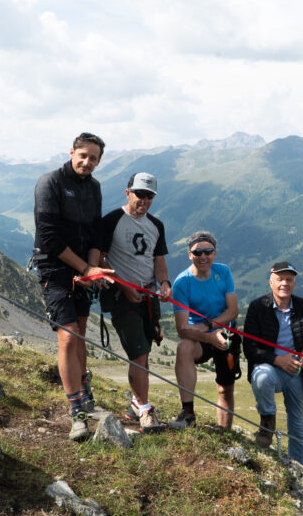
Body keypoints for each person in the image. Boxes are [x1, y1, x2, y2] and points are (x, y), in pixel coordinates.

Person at [32, 133, 114, 442]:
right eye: (83, 155)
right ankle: (76, 410)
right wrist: (85, 267)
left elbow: (95, 234)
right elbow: (49, 237)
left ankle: (83, 391)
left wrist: (92, 267)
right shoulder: (50, 183)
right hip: (55, 267)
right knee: (67, 336)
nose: (87, 162)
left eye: (94, 158)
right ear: (72, 152)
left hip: (82, 267)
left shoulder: (93, 188)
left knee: (79, 332)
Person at [94, 172, 171, 433]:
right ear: (128, 193)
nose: (145, 200)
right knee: (139, 354)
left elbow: (159, 260)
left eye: (149, 196)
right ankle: (146, 410)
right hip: (121, 298)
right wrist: (124, 286)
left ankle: (135, 405)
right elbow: (100, 259)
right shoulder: (112, 220)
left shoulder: (156, 226)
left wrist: (164, 283)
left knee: (142, 354)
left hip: (148, 298)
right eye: (140, 194)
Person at [243, 261, 303, 465]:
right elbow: (250, 348)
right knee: (261, 378)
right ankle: (267, 419)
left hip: (300, 374)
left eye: (289, 279)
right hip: (272, 369)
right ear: (271, 282)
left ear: (295, 283)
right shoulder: (257, 307)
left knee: (298, 427)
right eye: (280, 279)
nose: (284, 284)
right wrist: (277, 359)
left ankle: (297, 468)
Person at [172, 231, 241, 429]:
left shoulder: (223, 272)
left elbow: (233, 311)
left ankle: (224, 431)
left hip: (225, 333)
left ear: (214, 254)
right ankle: (188, 411)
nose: (203, 256)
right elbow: (182, 329)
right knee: (183, 347)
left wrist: (209, 326)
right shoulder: (182, 283)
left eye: (208, 251)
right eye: (197, 252)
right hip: (199, 337)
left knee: (225, 389)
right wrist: (208, 336)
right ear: (189, 255)